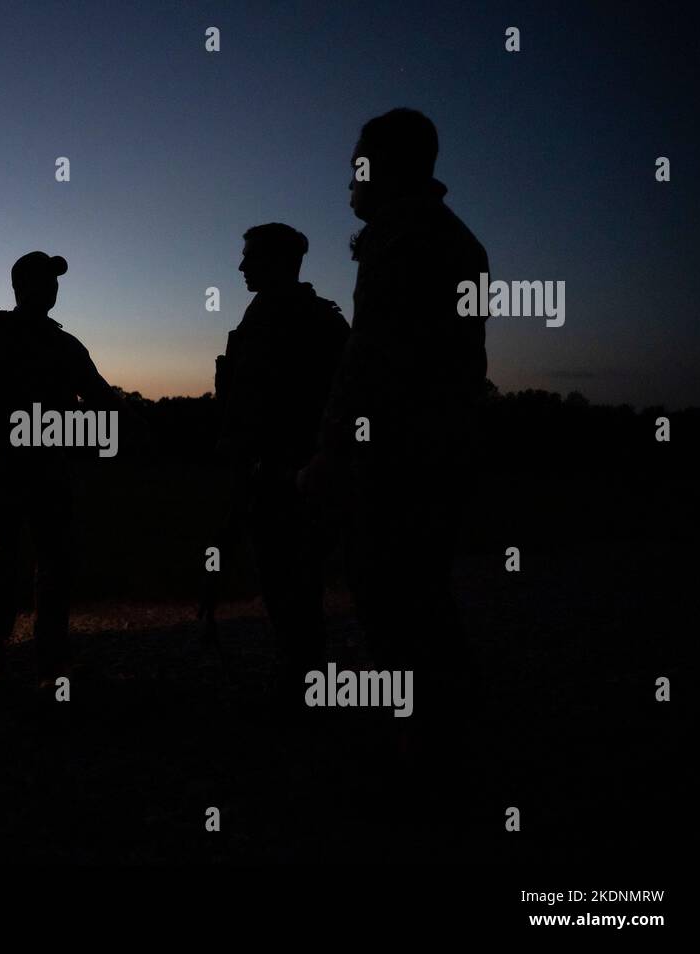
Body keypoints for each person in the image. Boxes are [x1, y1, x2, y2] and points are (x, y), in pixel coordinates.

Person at [301, 108, 489, 732]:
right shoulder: (441, 235)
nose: (349, 181)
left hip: (399, 462)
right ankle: (439, 736)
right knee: (418, 597)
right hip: (435, 452)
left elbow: (373, 360)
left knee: (395, 601)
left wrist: (333, 451)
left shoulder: (406, 240)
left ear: (387, 166)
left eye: (358, 165)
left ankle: (429, 752)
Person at [0, 251, 127, 698]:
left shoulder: (63, 344)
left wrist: (104, 426)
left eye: (55, 281)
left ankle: (48, 664)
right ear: (23, 286)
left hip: (46, 471)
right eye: (46, 280)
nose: (53, 288)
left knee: (52, 568)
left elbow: (100, 396)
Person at [214, 223, 348, 698]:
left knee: (298, 584)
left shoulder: (319, 323)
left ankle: (304, 687)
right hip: (259, 475)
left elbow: (345, 403)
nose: (242, 265)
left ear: (281, 262)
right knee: (276, 579)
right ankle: (296, 675)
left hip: (298, 478)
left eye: (252, 256)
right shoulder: (258, 317)